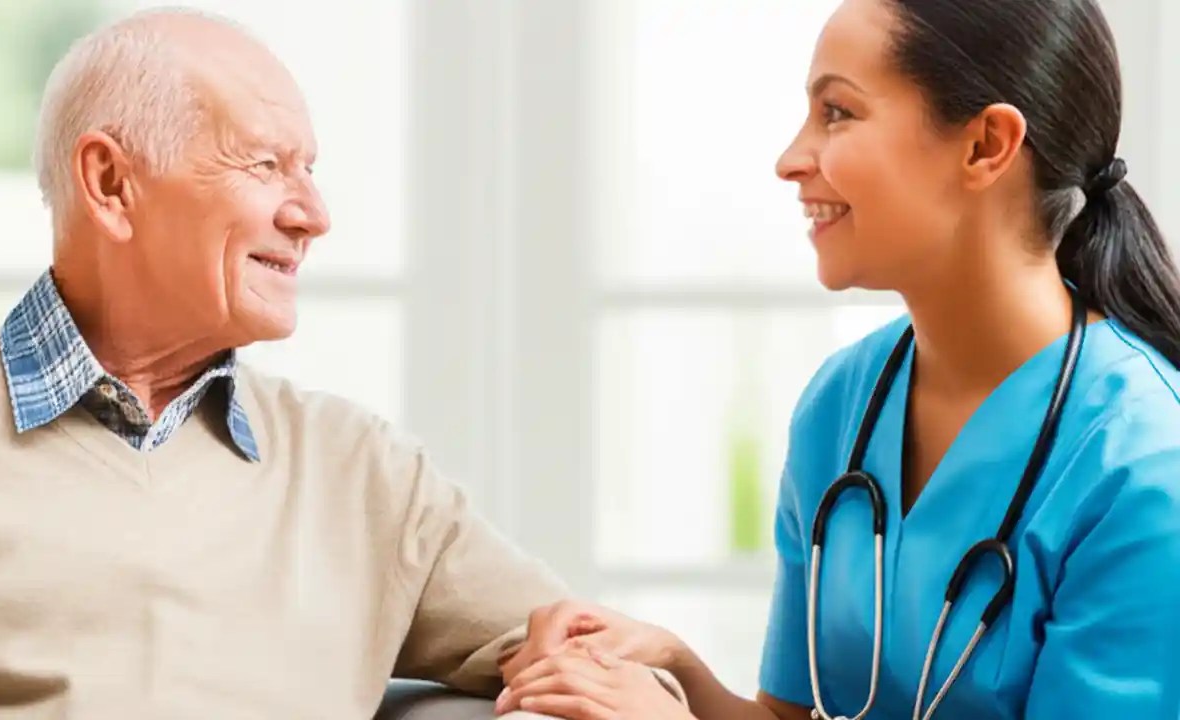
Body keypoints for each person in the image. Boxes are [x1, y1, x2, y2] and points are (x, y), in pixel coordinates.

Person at [496, 0, 1180, 718]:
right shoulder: (844, 402)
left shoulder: (1143, 466)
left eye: (838, 112)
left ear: (986, 145)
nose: (791, 159)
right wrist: (675, 670)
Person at [0, 8, 573, 718]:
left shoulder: (362, 473)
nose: (313, 214)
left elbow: (601, 658)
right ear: (110, 184)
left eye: (308, 169)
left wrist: (643, 689)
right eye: (264, 165)